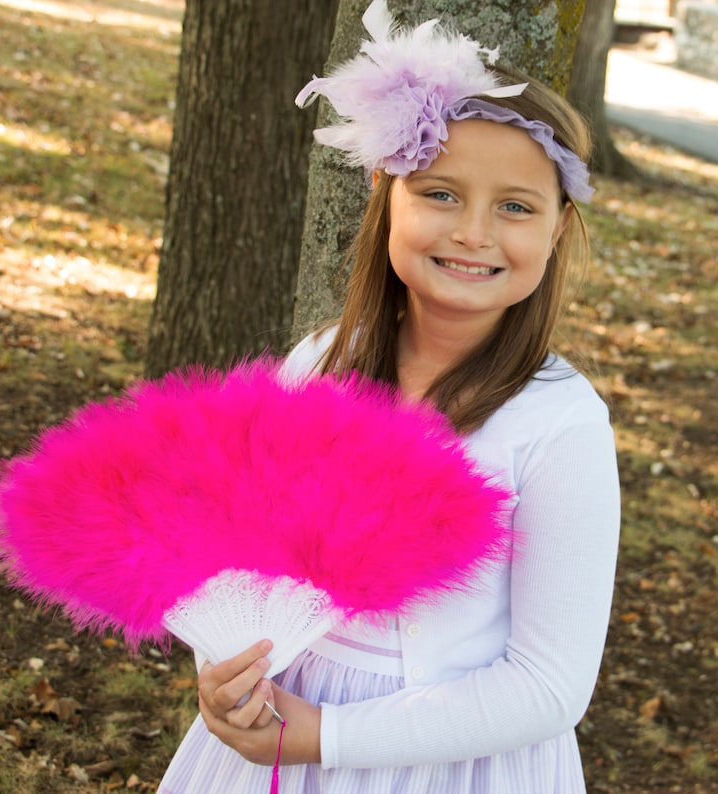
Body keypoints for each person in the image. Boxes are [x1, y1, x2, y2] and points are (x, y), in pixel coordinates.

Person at [158, 2, 620, 792]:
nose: (473, 232)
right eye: (440, 193)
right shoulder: (316, 365)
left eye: (515, 206)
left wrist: (329, 738)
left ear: (556, 228)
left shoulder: (558, 422)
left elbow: (548, 685)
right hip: (275, 735)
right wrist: (223, 678)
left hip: (447, 762)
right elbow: (236, 559)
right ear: (386, 193)